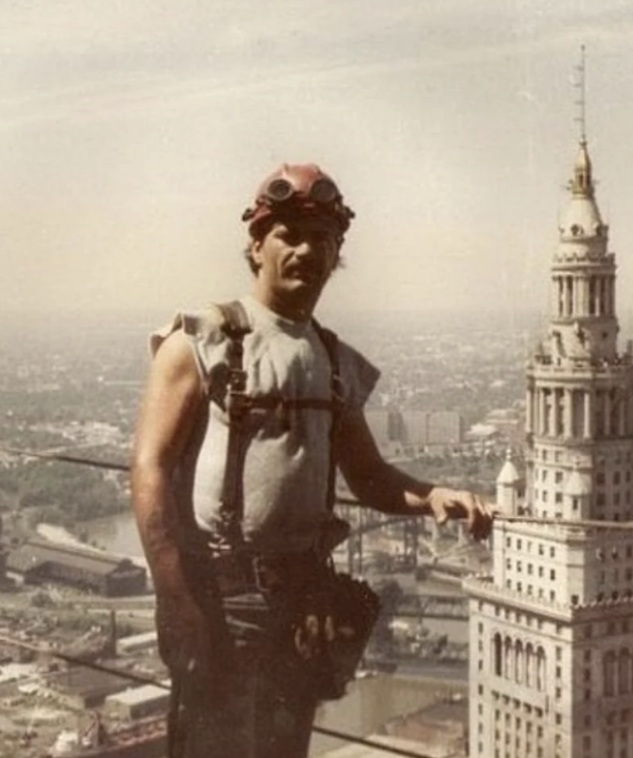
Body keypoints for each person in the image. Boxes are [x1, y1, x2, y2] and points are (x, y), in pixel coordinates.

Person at [131, 162, 495, 758]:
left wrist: (432, 497)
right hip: (222, 597)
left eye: (323, 240)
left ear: (336, 255)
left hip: (303, 602)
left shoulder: (330, 359)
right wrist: (176, 597)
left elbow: (370, 477)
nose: (307, 251)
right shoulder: (200, 342)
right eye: (289, 235)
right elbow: (149, 469)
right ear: (256, 244)